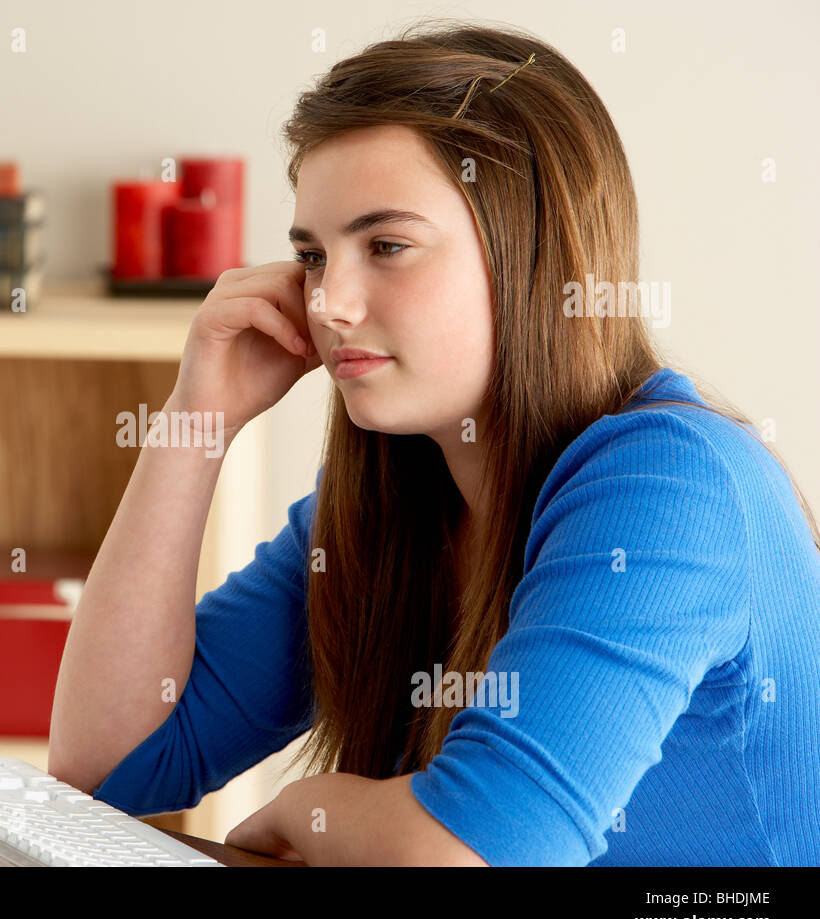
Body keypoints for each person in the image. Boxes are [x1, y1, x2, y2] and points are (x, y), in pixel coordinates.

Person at [48, 20, 820, 866]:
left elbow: (467, 857)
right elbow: (104, 769)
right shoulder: (394, 502)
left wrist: (312, 810)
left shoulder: (673, 483)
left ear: (531, 255)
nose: (328, 301)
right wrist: (197, 420)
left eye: (386, 246)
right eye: (312, 255)